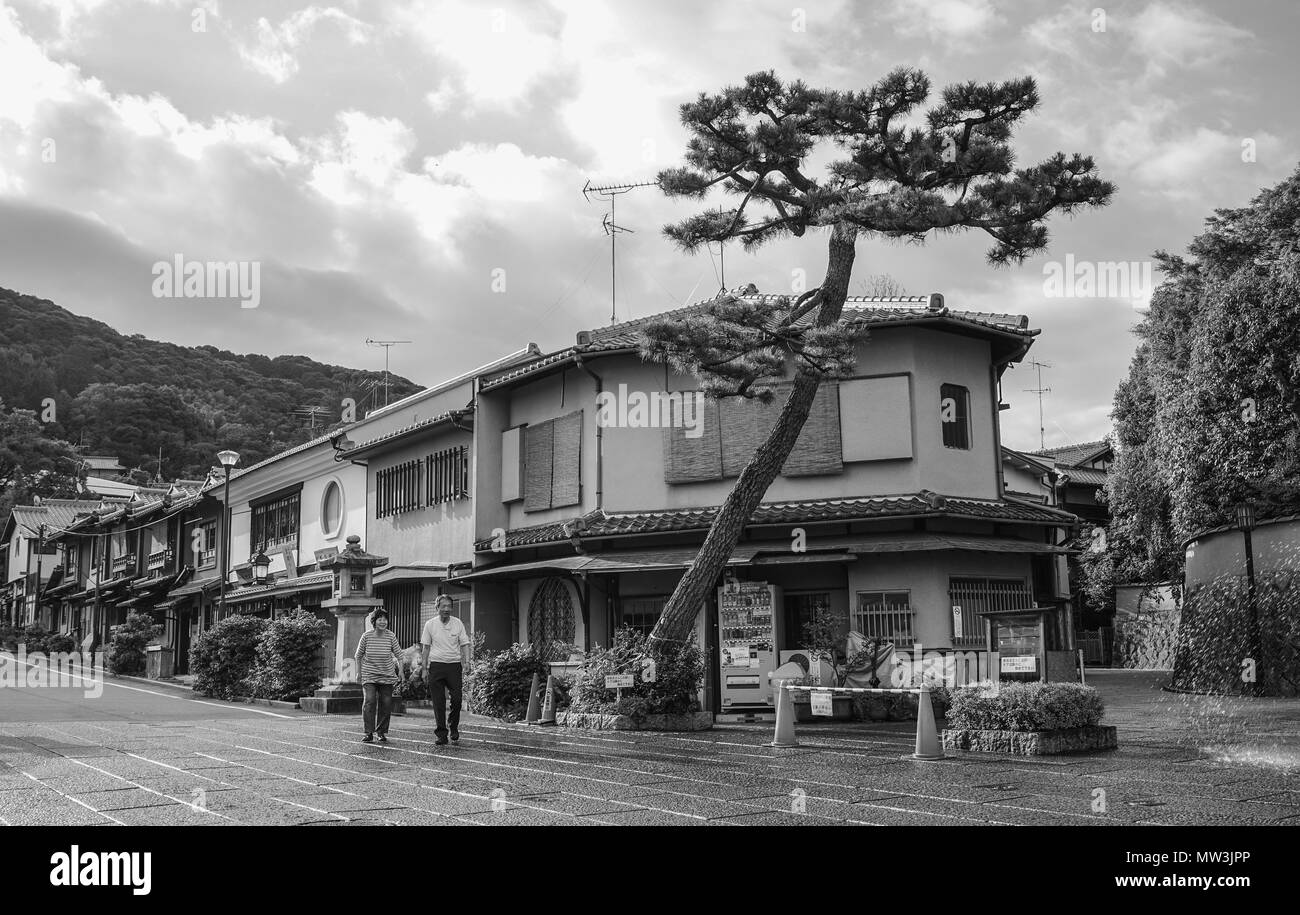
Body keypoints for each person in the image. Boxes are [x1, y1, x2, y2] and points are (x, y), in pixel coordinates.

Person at [420, 595, 471, 746]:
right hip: (436, 665)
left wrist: (467, 662)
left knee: (456, 699)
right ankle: (441, 734)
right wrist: (424, 668)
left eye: (449, 606)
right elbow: (426, 648)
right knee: (438, 702)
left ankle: (453, 726)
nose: (447, 609)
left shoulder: (458, 623)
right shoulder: (430, 624)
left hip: (454, 665)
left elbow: (465, 644)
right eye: (443, 606)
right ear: (437, 608)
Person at [355, 608, 404, 744]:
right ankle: (368, 732)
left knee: (386, 703)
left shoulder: (391, 636)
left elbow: (399, 654)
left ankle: (381, 732)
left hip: (387, 675)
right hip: (369, 674)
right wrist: (358, 672)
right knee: (370, 700)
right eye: (379, 619)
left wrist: (400, 671)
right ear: (374, 621)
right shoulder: (366, 636)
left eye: (385, 619)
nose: (383, 622)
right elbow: (358, 655)